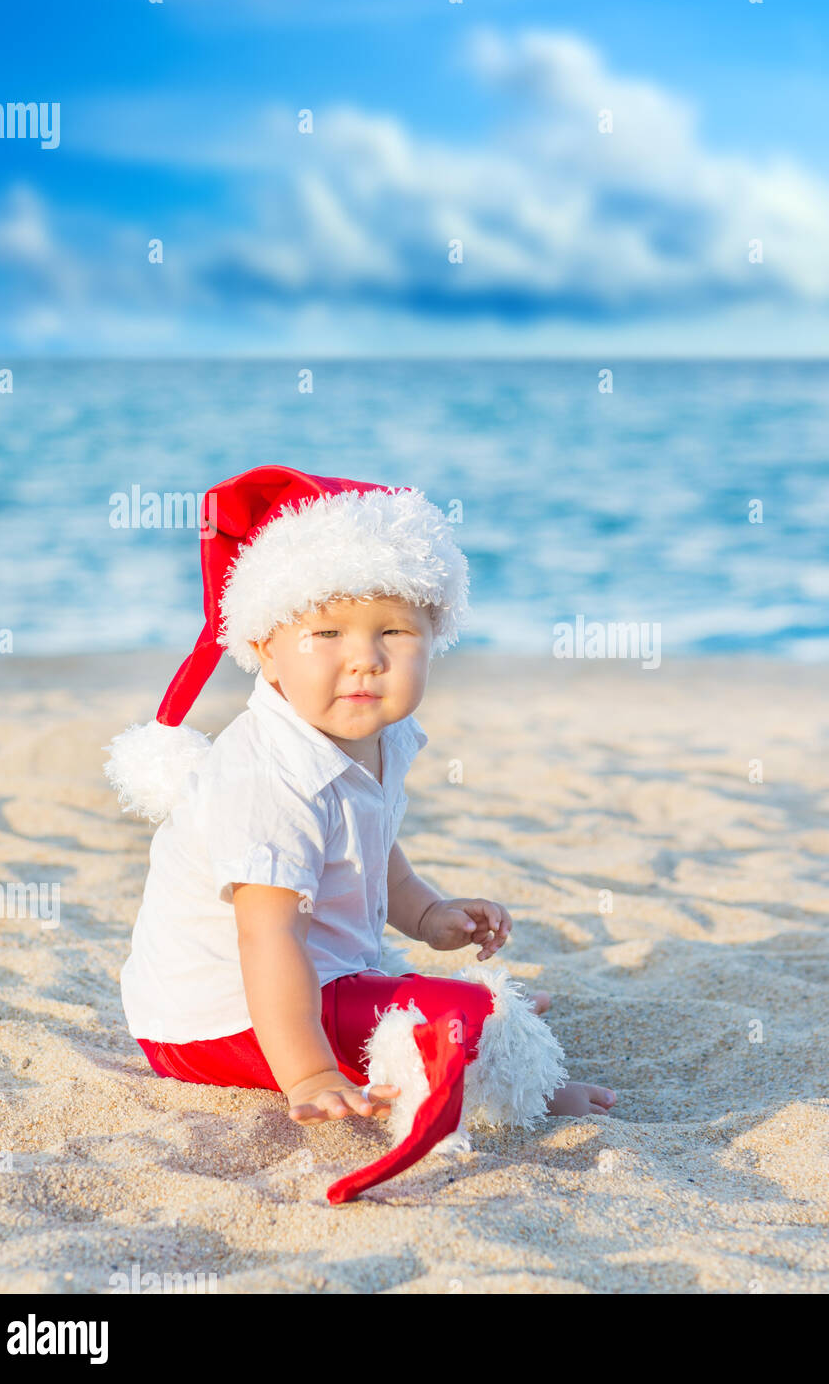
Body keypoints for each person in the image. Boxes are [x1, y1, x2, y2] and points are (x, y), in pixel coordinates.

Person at [104, 466, 614, 1202]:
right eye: (327, 632)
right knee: (453, 1016)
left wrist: (426, 911)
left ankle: (459, 1037)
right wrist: (309, 1073)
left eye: (395, 631)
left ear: (433, 637)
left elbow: (370, 841)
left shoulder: (379, 733)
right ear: (265, 649)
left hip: (307, 981)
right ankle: (504, 1087)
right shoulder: (268, 776)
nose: (364, 657)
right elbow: (266, 938)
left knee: (448, 1006)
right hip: (219, 1014)